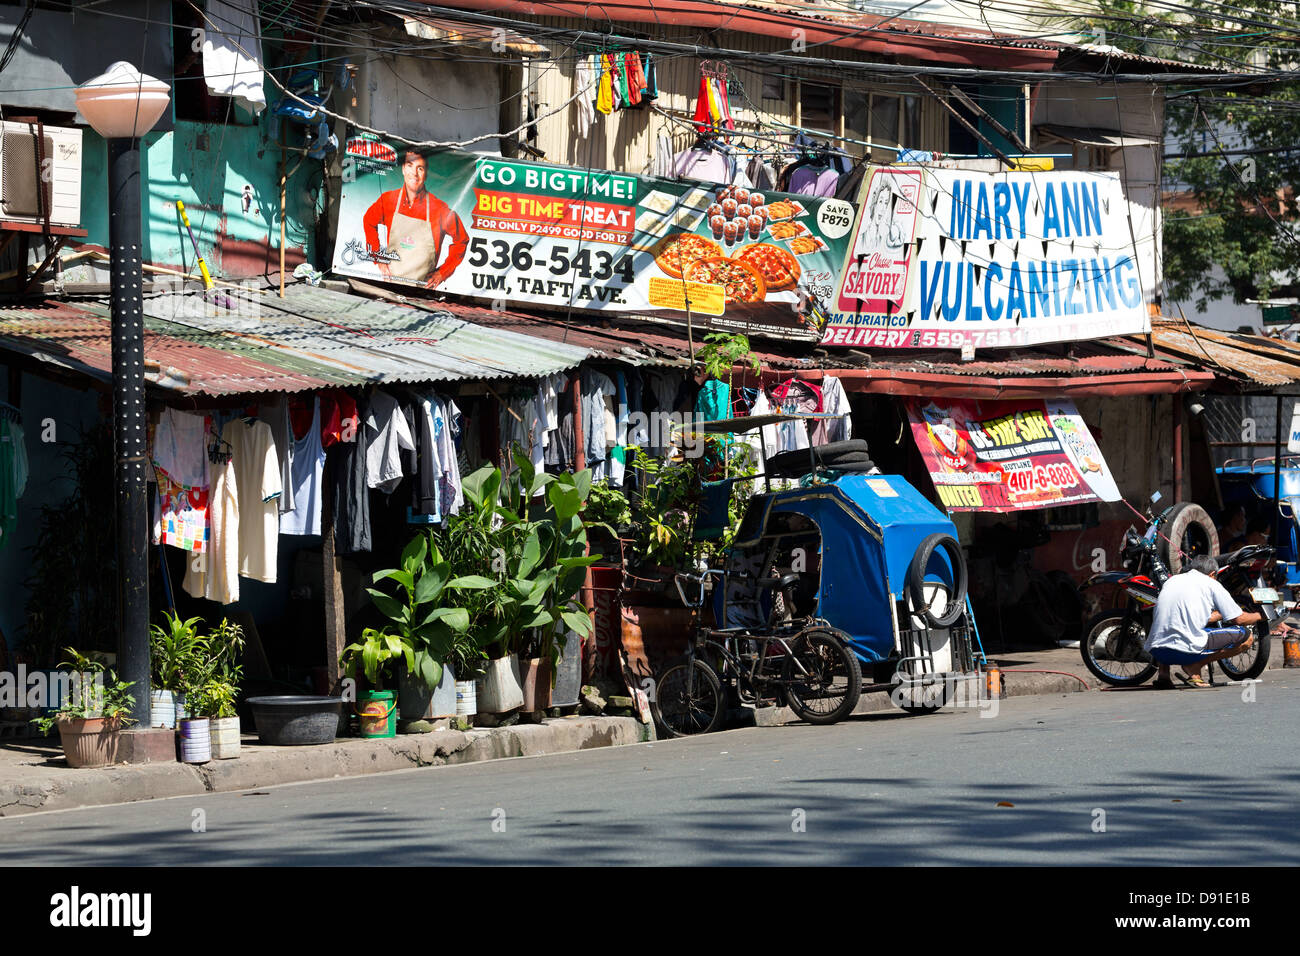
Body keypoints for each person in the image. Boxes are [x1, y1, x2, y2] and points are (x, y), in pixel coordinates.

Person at [1144, 555, 1264, 688]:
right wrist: (1260, 615)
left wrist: (1220, 614)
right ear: (1212, 574)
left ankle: (1163, 675)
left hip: (1157, 650)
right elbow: (1239, 619)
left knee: (1168, 624)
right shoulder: (1211, 583)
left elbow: (1192, 616)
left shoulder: (1172, 581)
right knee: (1246, 636)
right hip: (1184, 652)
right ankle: (1195, 665)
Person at [361, 150, 468, 289]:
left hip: (422, 291)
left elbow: (462, 240)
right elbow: (368, 221)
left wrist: (443, 273)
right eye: (410, 166)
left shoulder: (439, 208)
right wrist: (379, 259)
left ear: (426, 174)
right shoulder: (389, 200)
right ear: (403, 169)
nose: (414, 173)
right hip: (389, 286)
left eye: (420, 168)